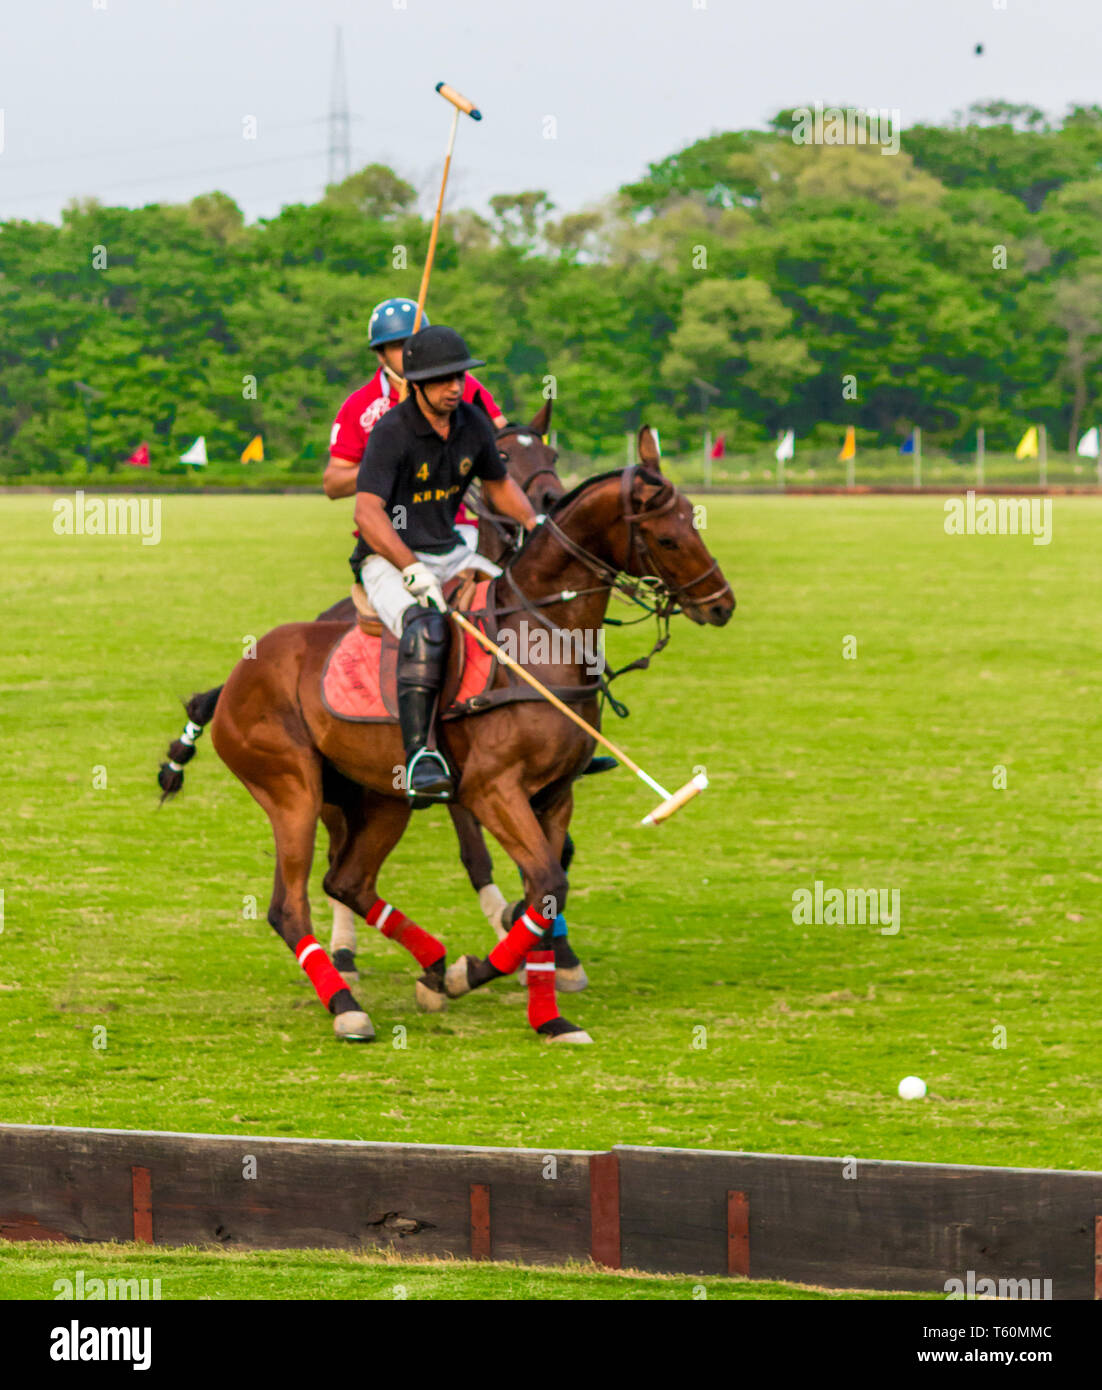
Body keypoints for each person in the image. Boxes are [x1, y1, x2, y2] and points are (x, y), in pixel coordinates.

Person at [353, 325, 542, 805]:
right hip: (388, 558)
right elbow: (366, 512)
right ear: (416, 383)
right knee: (426, 627)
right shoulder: (392, 432)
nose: (454, 387)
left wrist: (536, 524)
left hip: (452, 549)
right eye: (441, 379)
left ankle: (549, 733)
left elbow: (497, 485)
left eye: (458, 376)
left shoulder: (472, 423)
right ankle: (421, 756)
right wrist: (409, 567)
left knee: (525, 609)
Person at [326, 297, 507, 549]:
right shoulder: (360, 406)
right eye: (400, 346)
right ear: (381, 354)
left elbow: (505, 443)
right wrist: (387, 466)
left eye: (418, 341)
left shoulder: (461, 388)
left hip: (455, 529)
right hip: (390, 534)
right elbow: (333, 484)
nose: (412, 351)